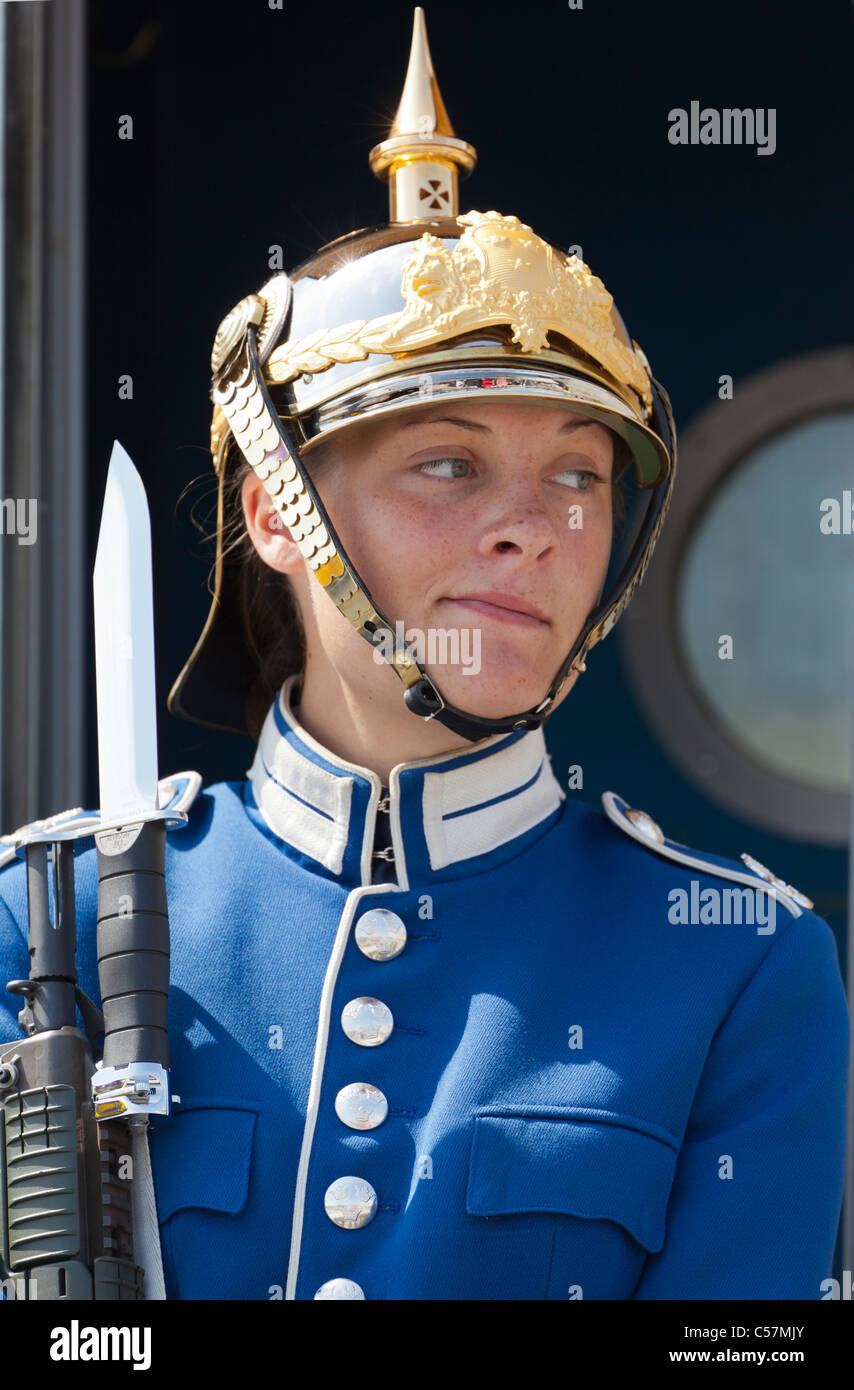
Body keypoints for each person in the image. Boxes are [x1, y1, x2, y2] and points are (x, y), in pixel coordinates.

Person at [0, 7, 848, 1301]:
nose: (534, 530)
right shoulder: (37, 917)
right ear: (275, 508)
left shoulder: (738, 962)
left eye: (578, 473)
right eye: (447, 463)